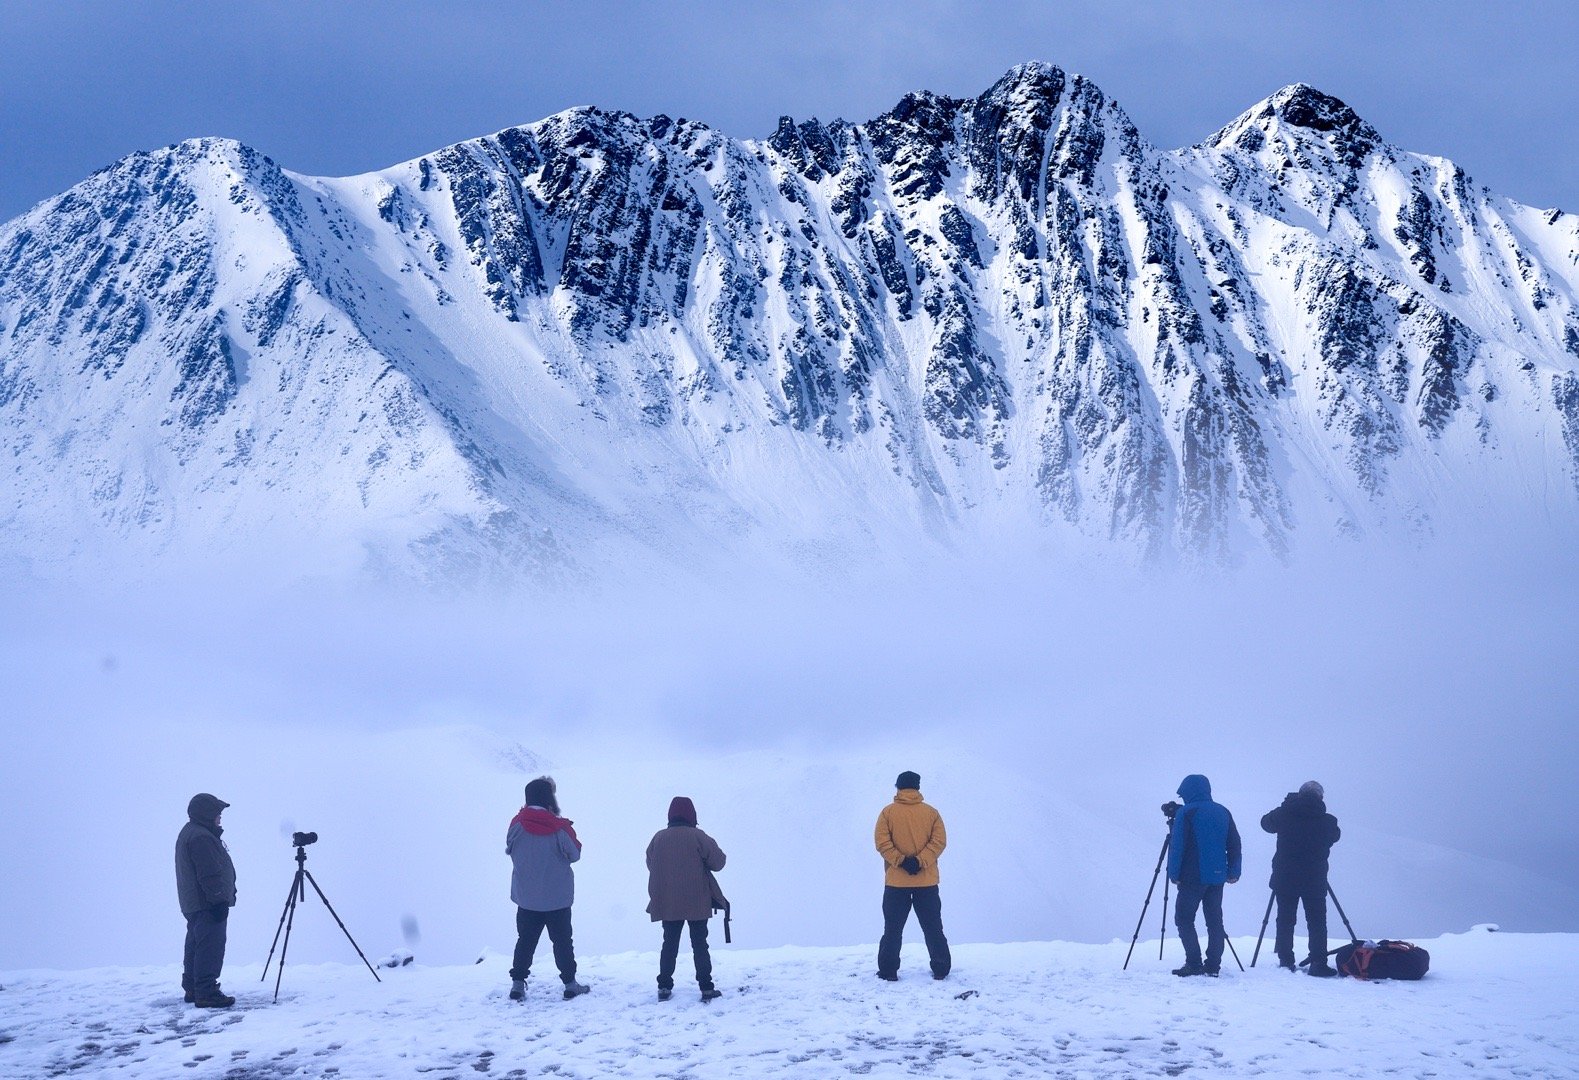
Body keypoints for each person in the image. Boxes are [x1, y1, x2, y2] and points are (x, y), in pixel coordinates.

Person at [506, 776, 589, 1001]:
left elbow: (509, 847)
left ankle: (517, 985)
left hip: (526, 897)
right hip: (557, 898)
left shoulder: (516, 824)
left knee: (525, 940)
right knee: (562, 942)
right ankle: (570, 984)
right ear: (549, 797)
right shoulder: (559, 827)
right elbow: (575, 854)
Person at [645, 796, 728, 1002]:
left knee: (669, 944)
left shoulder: (658, 838)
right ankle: (706, 987)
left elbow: (650, 864)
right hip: (697, 900)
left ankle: (664, 986)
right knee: (700, 944)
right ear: (692, 815)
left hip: (668, 901)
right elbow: (719, 862)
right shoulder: (698, 836)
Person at [874, 770, 951, 981]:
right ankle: (941, 969)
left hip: (896, 883)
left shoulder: (887, 813)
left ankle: (888, 972)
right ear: (917, 788)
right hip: (926, 882)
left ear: (898, 787)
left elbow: (882, 843)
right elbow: (938, 842)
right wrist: (920, 861)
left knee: (892, 930)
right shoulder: (932, 813)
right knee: (933, 927)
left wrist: (901, 861)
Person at [1261, 780, 1342, 976]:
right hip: (1315, 878)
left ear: (1299, 794)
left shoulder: (1285, 814)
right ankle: (1318, 962)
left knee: (1286, 919)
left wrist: (1287, 804)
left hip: (1285, 877)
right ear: (1321, 798)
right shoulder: (1328, 821)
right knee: (1316, 922)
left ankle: (1286, 959)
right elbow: (1335, 836)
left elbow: (1265, 823)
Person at [1167, 774, 1241, 977]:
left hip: (1192, 877)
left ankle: (1194, 963)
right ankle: (1213, 965)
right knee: (1215, 921)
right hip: (1217, 878)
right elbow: (1234, 843)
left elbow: (1177, 846)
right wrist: (1234, 871)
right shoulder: (1223, 811)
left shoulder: (1187, 812)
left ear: (1189, 791)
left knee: (1184, 918)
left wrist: (1173, 873)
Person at [175, 792, 238, 1007]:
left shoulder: (192, 832)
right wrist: (219, 900)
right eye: (217, 813)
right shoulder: (201, 837)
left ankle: (194, 988)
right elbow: (209, 873)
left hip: (196, 903)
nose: (220, 817)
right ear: (206, 814)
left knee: (196, 943)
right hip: (207, 903)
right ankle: (206, 992)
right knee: (210, 945)